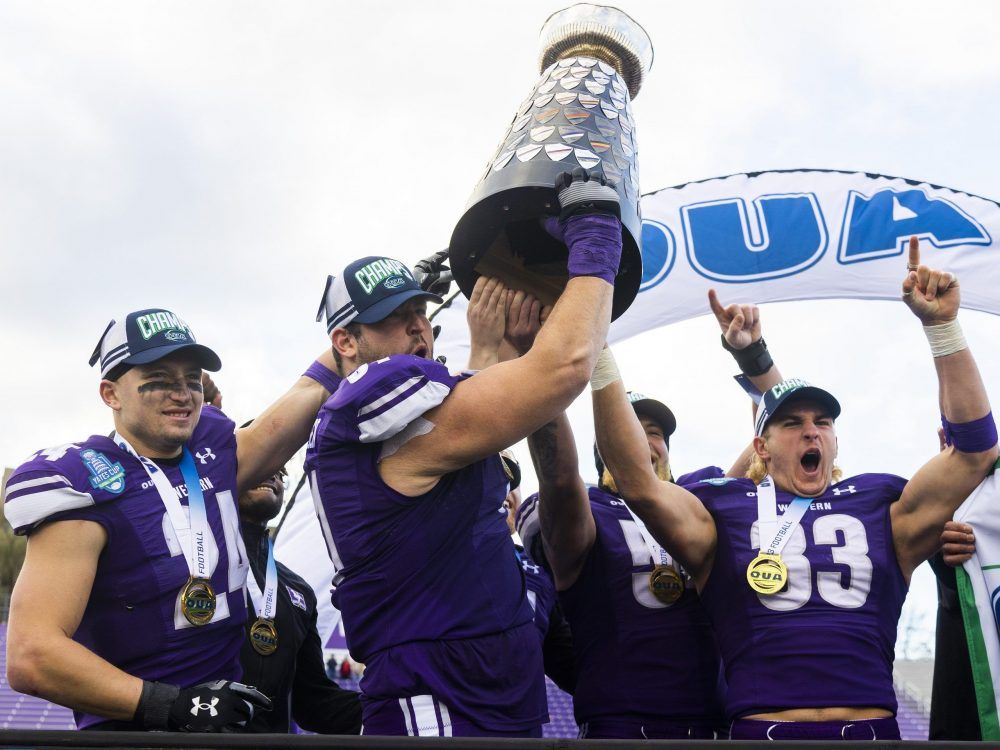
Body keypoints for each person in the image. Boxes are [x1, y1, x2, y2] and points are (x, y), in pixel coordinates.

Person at [590, 237, 998, 741]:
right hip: (763, 731)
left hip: (871, 729)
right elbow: (636, 481)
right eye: (792, 423)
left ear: (834, 438)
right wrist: (595, 349)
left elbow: (974, 452)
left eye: (822, 421)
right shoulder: (724, 506)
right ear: (760, 447)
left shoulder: (877, 502)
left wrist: (942, 328)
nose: (811, 430)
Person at [306, 172, 622, 737]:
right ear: (347, 343)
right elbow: (565, 368)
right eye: (392, 319)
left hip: (498, 699)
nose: (418, 328)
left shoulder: (441, 424)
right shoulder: (373, 394)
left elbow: (553, 464)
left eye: (421, 312)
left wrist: (520, 359)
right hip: (436, 701)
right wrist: (596, 236)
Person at [3, 308, 342, 731]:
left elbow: (309, 389)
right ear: (111, 394)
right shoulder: (84, 480)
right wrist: (173, 703)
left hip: (226, 729)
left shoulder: (214, 456)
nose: (181, 393)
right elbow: (31, 655)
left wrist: (362, 324)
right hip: (133, 734)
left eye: (191, 379)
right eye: (160, 379)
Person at [525, 387, 725, 739]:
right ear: (606, 444)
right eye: (630, 427)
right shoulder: (588, 510)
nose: (643, 441)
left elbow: (771, 451)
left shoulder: (697, 504)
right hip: (624, 725)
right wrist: (541, 373)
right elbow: (557, 478)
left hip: (716, 726)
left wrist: (752, 356)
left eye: (654, 433)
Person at [236, 459, 362, 734]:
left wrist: (389, 706)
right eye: (259, 463)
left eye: (280, 472)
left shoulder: (298, 590)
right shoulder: (185, 566)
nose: (271, 473)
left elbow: (315, 703)